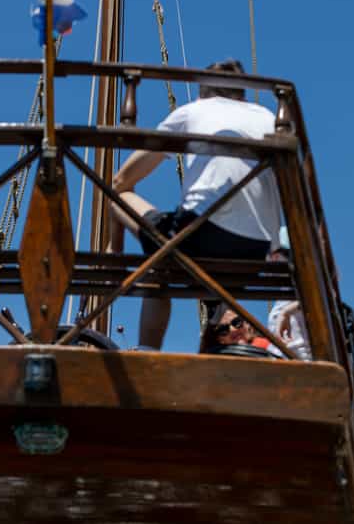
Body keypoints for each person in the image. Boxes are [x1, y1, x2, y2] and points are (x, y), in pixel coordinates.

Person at [109, 59, 281, 349]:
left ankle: (147, 350)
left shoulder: (193, 111)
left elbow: (124, 178)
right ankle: (214, 316)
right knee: (172, 251)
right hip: (257, 256)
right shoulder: (268, 117)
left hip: (196, 241)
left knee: (117, 194)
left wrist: (115, 247)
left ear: (203, 91)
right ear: (241, 93)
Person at [267, 227, 312, 361]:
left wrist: (286, 312)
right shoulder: (284, 295)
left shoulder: (306, 287)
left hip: (303, 368)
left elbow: (326, 296)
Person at [199, 302, 283, 358]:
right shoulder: (212, 364)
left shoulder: (272, 349)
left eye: (237, 322)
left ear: (248, 325)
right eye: (223, 330)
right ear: (219, 339)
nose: (233, 330)